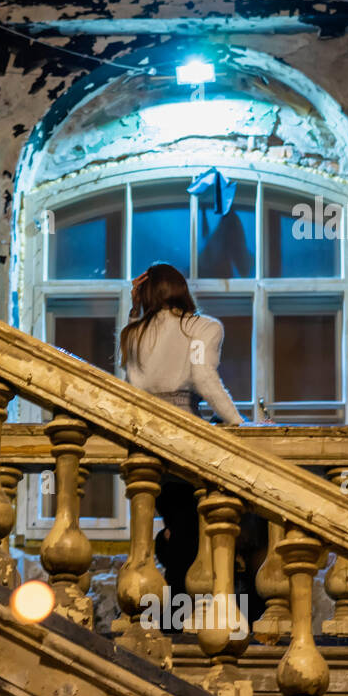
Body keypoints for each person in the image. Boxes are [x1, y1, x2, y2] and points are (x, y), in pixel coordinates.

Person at [119, 263, 264, 622]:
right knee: (201, 531)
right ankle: (197, 616)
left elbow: (132, 389)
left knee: (177, 530)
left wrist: (134, 305)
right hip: (186, 438)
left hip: (146, 441)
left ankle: (171, 617)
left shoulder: (132, 334)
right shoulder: (203, 327)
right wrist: (237, 423)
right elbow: (203, 376)